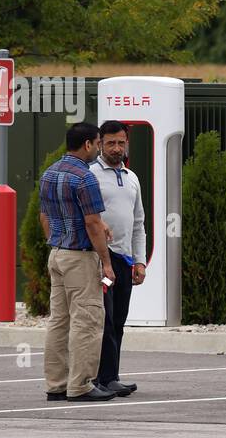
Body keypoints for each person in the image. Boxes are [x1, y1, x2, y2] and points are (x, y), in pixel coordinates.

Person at [39, 122, 115, 403]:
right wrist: (106, 262)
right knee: (88, 320)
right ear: (87, 145)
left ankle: (56, 384)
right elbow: (92, 222)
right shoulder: (85, 178)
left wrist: (58, 241)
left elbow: (44, 216)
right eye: (97, 143)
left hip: (57, 253)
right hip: (80, 258)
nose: (98, 148)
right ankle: (81, 385)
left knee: (59, 321)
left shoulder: (50, 173)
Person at [92, 120, 146, 397]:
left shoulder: (132, 177)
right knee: (106, 319)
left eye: (121, 143)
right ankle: (101, 378)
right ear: (99, 143)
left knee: (120, 319)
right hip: (103, 259)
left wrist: (140, 261)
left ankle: (111, 376)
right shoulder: (91, 174)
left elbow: (138, 222)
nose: (116, 148)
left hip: (125, 260)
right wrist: (104, 260)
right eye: (110, 142)